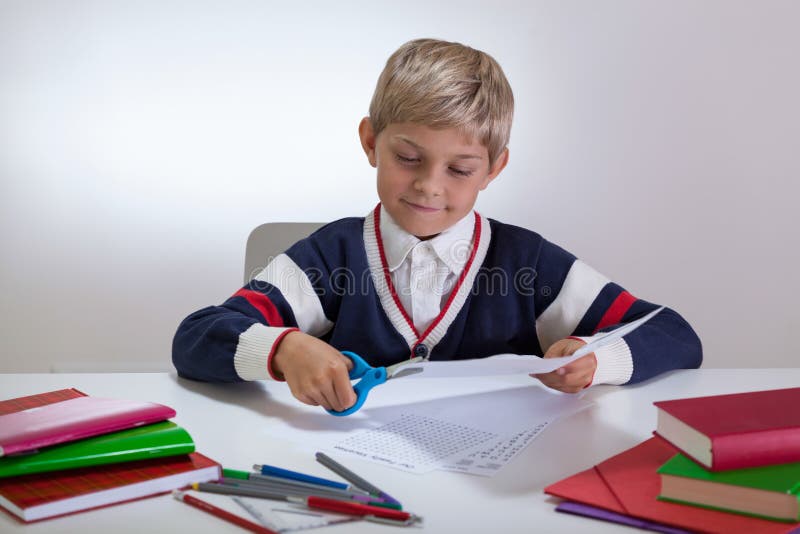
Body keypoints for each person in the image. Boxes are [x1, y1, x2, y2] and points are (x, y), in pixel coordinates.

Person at [172, 38, 702, 412]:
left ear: (493, 169)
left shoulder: (528, 264)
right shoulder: (331, 258)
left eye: (460, 169)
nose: (429, 185)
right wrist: (283, 349)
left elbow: (672, 332)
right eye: (408, 158)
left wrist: (597, 359)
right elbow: (196, 337)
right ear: (370, 142)